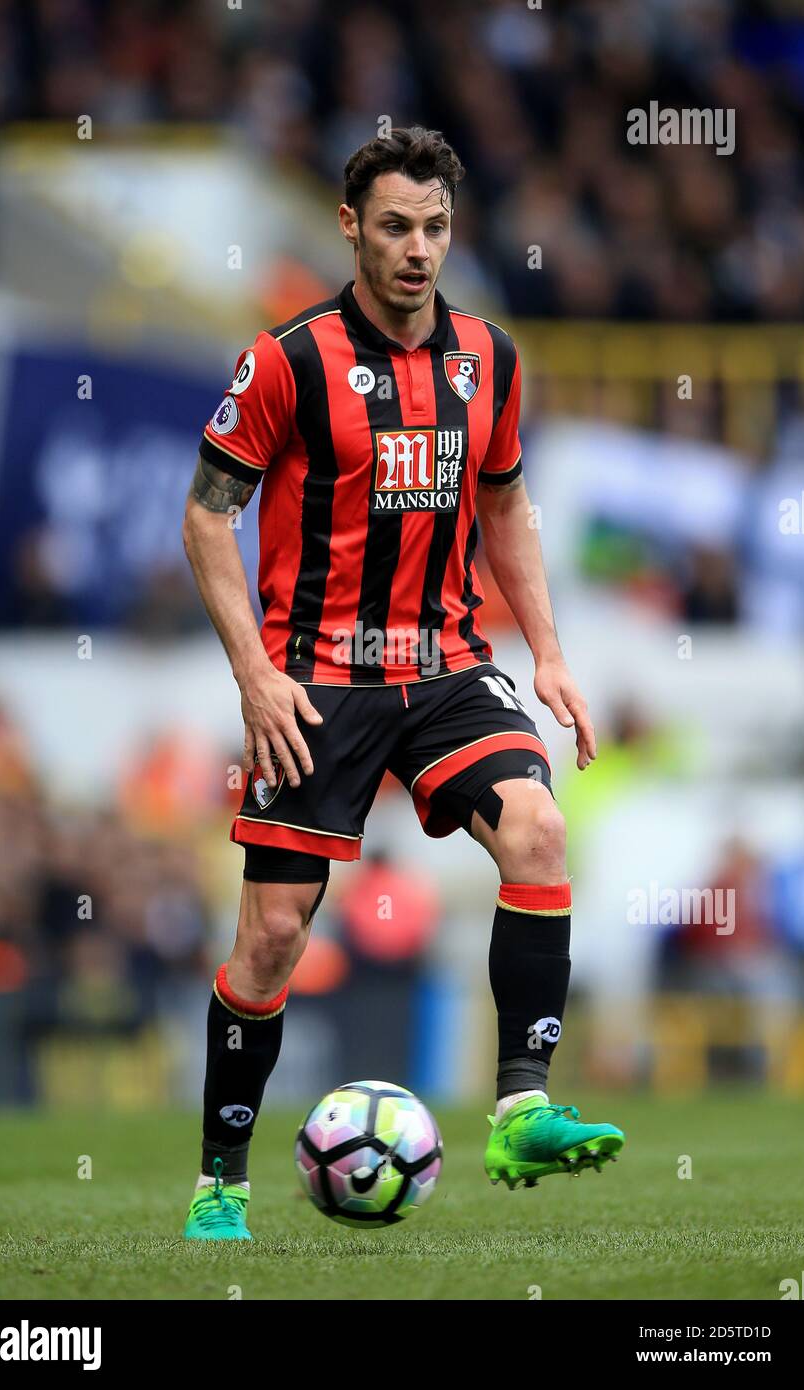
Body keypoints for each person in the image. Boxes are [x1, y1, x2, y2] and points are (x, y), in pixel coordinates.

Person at [181, 126, 624, 1240]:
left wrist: (550, 651)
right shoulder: (285, 360)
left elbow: (507, 504)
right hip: (315, 679)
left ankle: (520, 1104)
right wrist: (253, 674)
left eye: (433, 226)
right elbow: (206, 513)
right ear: (349, 226)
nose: (416, 248)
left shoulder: (491, 360)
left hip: (446, 665)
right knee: (273, 937)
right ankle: (222, 1179)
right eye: (393, 226)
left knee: (535, 829)